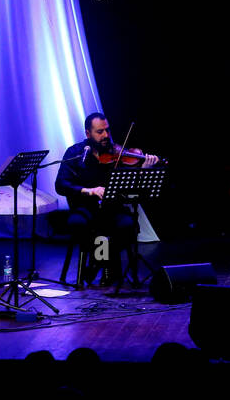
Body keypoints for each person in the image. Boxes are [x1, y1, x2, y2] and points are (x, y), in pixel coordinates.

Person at [53, 113, 160, 286]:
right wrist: (89, 191)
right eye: (100, 132)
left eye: (107, 130)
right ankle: (106, 265)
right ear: (88, 134)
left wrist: (144, 170)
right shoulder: (76, 153)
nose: (106, 136)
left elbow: (133, 190)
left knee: (129, 226)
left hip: (112, 210)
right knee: (77, 224)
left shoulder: (118, 152)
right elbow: (61, 185)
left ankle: (97, 264)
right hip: (85, 209)